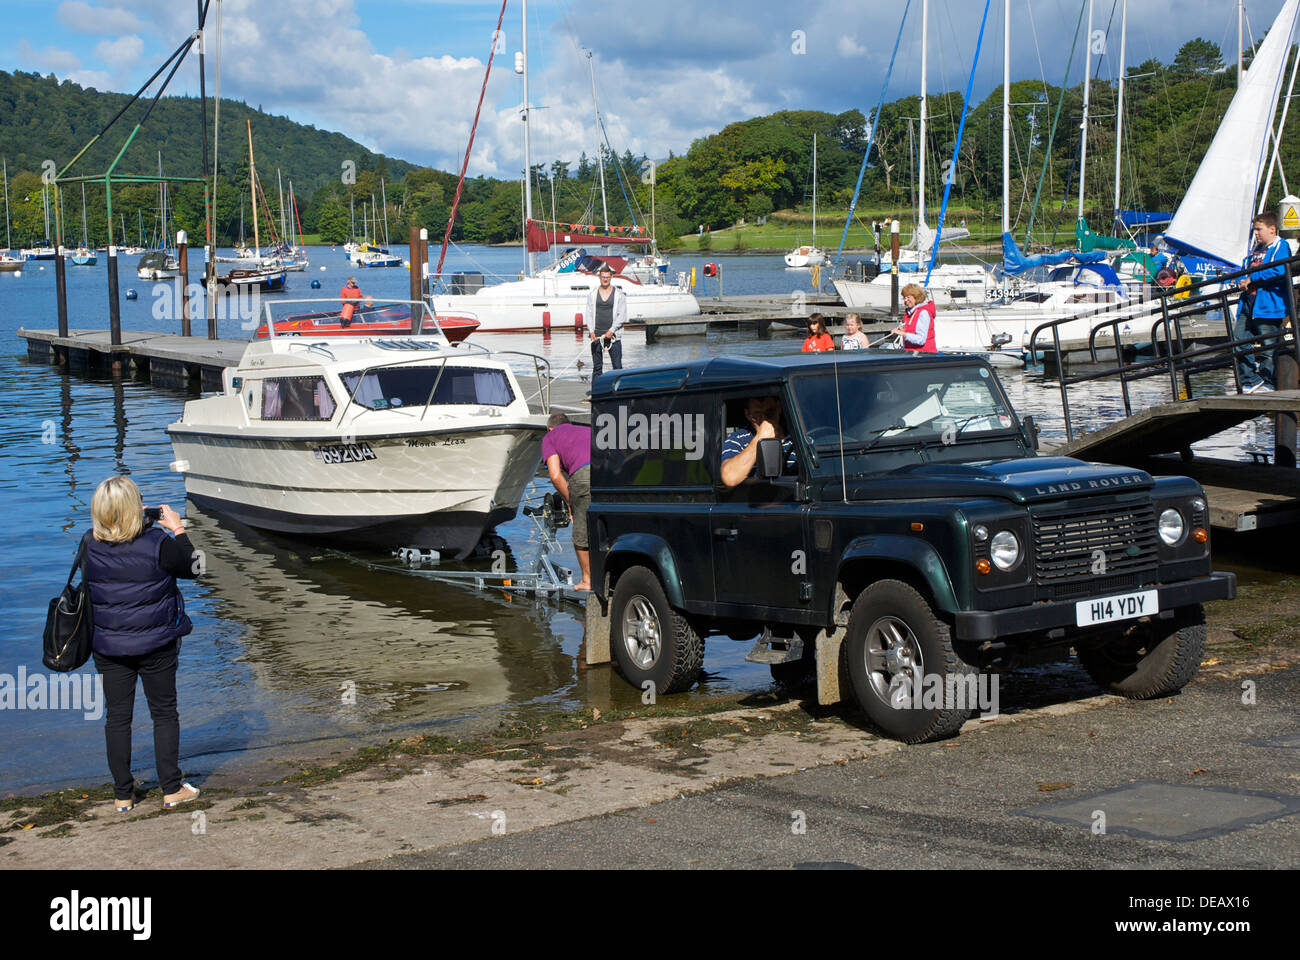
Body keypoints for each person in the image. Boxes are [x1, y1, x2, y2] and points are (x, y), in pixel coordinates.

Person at [84, 476, 201, 813]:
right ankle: (171, 788)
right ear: (137, 508)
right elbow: (195, 567)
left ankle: (123, 795)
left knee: (117, 717)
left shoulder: (88, 544)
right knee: (163, 712)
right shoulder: (157, 542)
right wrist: (178, 529)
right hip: (157, 644)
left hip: (108, 646)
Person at [1235, 212, 1288, 393]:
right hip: (1249, 303)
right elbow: (1245, 269)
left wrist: (1252, 278)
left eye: (1259, 229)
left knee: (1268, 346)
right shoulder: (1256, 250)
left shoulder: (1280, 246)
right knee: (1239, 339)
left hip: (1268, 304)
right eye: (1255, 229)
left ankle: (1269, 382)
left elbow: (1278, 270)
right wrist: (1241, 280)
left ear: (1272, 229)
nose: (1256, 233)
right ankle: (1251, 378)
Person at [542, 412, 593, 591]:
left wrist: (571, 502)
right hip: (610, 471)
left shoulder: (550, 437)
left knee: (581, 530)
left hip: (584, 475)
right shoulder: (586, 429)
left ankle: (587, 580)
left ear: (550, 428)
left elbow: (555, 476)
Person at [721, 395, 798, 488]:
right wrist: (760, 438)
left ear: (779, 408)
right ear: (748, 415)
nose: (764, 419)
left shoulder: (797, 438)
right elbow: (730, 477)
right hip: (756, 498)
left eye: (770, 412)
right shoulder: (738, 439)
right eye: (757, 414)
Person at [585, 264, 626, 378]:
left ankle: (619, 394)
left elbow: (622, 315)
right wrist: (591, 331)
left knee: (617, 367)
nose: (605, 279)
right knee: (597, 367)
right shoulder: (592, 294)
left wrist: (612, 330)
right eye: (603, 277)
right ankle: (596, 394)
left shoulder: (619, 294)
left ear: (611, 277)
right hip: (597, 336)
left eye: (607, 277)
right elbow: (588, 314)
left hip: (613, 336)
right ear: (599, 277)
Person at [892, 283, 938, 353]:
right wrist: (904, 330)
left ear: (916, 297)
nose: (905, 300)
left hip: (924, 355)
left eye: (908, 297)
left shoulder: (923, 313)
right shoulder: (909, 313)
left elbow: (921, 340)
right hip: (911, 353)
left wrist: (903, 334)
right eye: (904, 297)